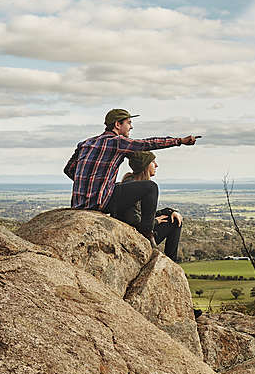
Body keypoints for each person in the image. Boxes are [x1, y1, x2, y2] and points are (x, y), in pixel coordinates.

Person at [64, 108, 198, 217]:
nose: (131, 127)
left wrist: (88, 183)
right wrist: (180, 141)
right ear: (117, 124)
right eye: (128, 123)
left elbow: (68, 170)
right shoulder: (118, 142)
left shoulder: (85, 143)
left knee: (118, 186)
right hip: (101, 204)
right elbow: (148, 144)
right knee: (150, 187)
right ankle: (148, 231)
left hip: (78, 204)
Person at [109, 151, 183, 261]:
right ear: (145, 165)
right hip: (136, 237)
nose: (156, 165)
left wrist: (169, 211)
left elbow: (146, 214)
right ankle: (171, 262)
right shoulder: (131, 188)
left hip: (142, 232)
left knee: (174, 219)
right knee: (174, 223)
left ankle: (171, 264)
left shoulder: (137, 185)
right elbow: (133, 220)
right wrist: (156, 221)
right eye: (153, 162)